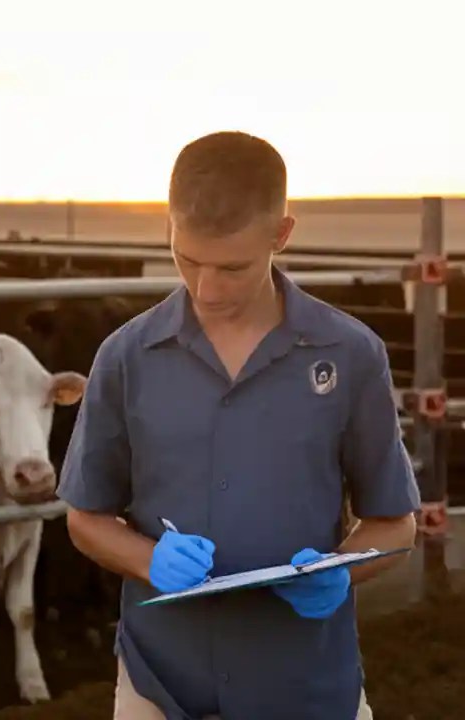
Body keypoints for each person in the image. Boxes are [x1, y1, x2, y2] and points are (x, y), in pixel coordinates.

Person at [56, 130, 420, 720]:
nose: (206, 289)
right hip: (161, 686)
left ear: (281, 235)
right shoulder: (125, 357)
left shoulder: (351, 354)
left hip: (306, 684)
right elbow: (85, 518)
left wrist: (341, 574)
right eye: (187, 259)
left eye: (231, 267)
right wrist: (150, 560)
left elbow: (394, 525)